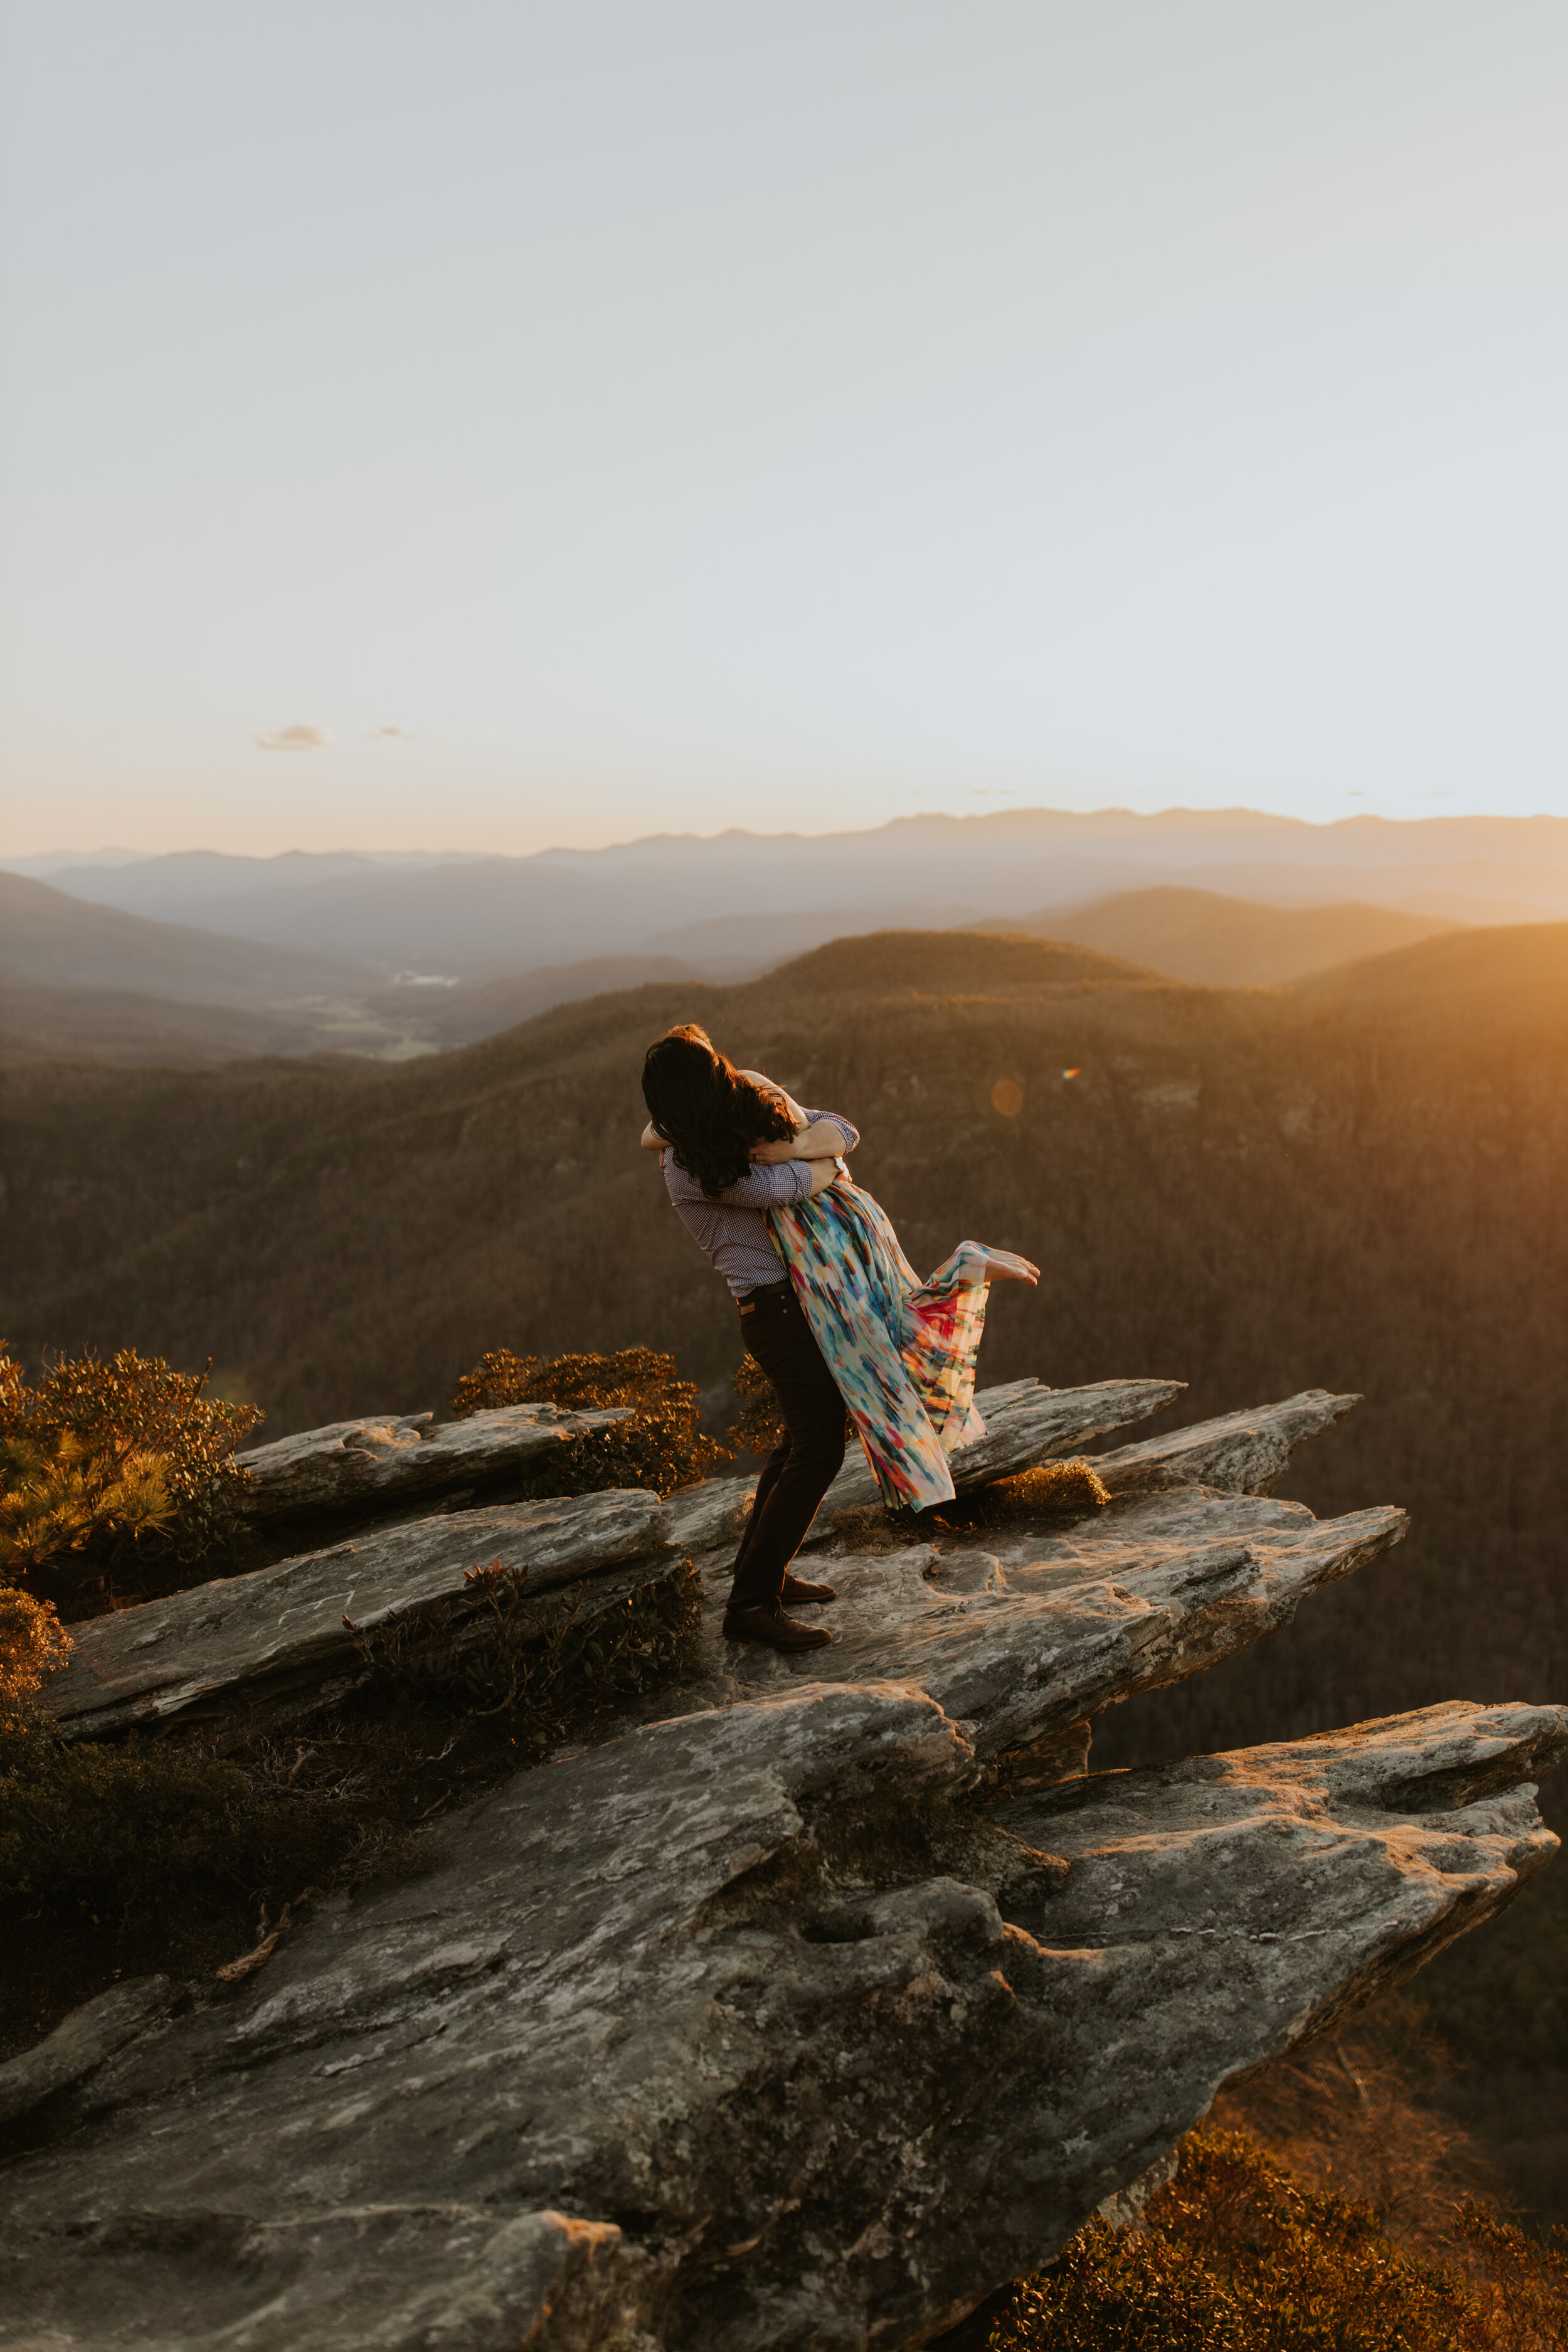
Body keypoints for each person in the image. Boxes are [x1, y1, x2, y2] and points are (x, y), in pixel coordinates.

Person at [640, 1024, 1039, 1653]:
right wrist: (820, 1157)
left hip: (803, 1306)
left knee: (798, 1443)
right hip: (777, 1315)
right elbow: (788, 1185)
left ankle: (761, 1576)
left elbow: (839, 1127)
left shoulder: (714, 1135)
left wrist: (818, 1148)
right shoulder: (691, 1165)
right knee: (818, 1453)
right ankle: (749, 1605)